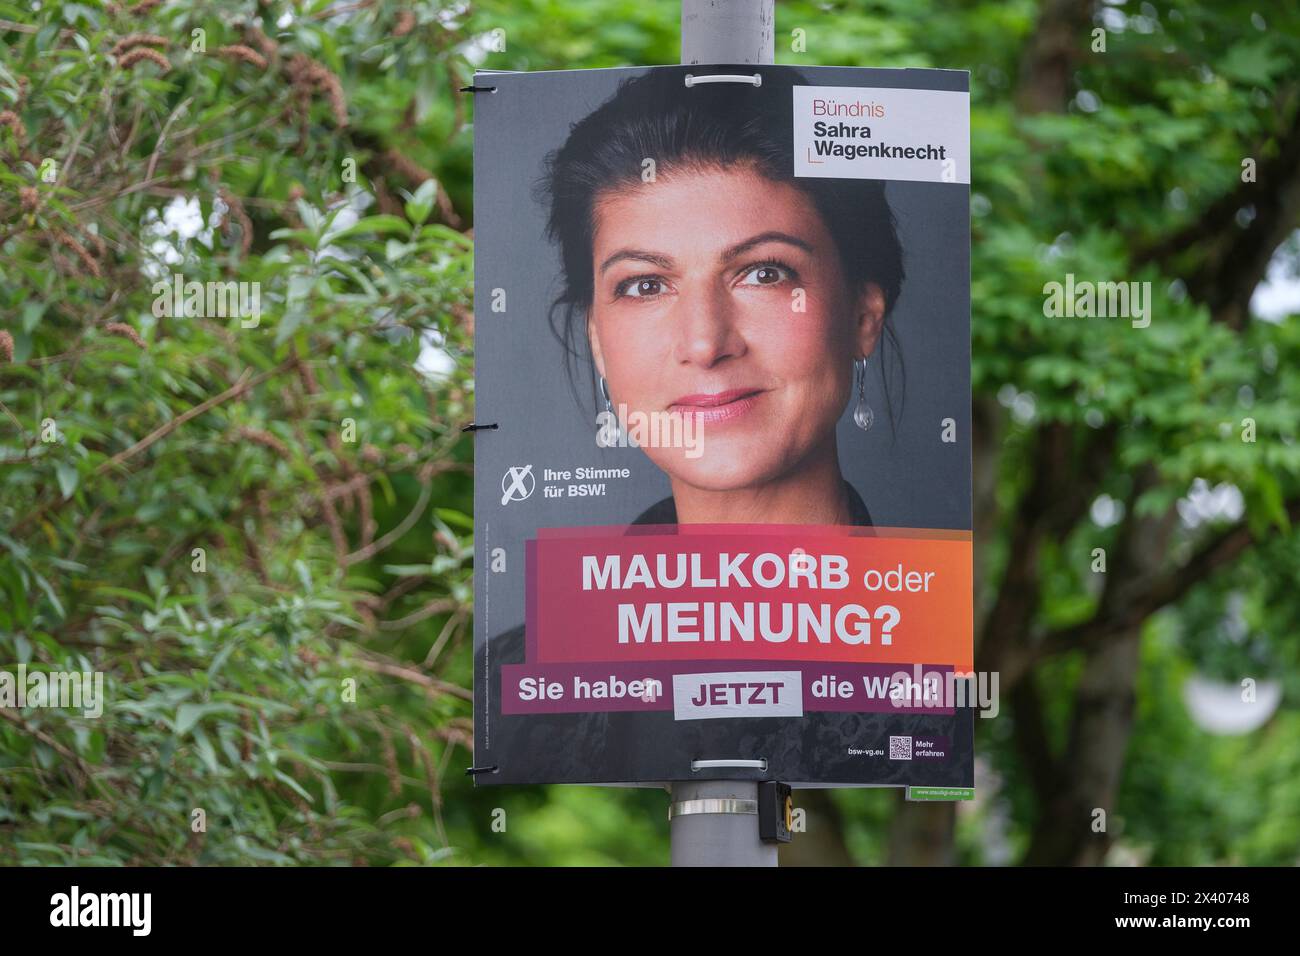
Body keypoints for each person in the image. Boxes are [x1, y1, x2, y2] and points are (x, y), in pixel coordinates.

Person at [542, 66, 905, 529]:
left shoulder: (943, 596)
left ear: (863, 316)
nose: (705, 345)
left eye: (764, 273)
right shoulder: (546, 600)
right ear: (597, 339)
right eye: (646, 285)